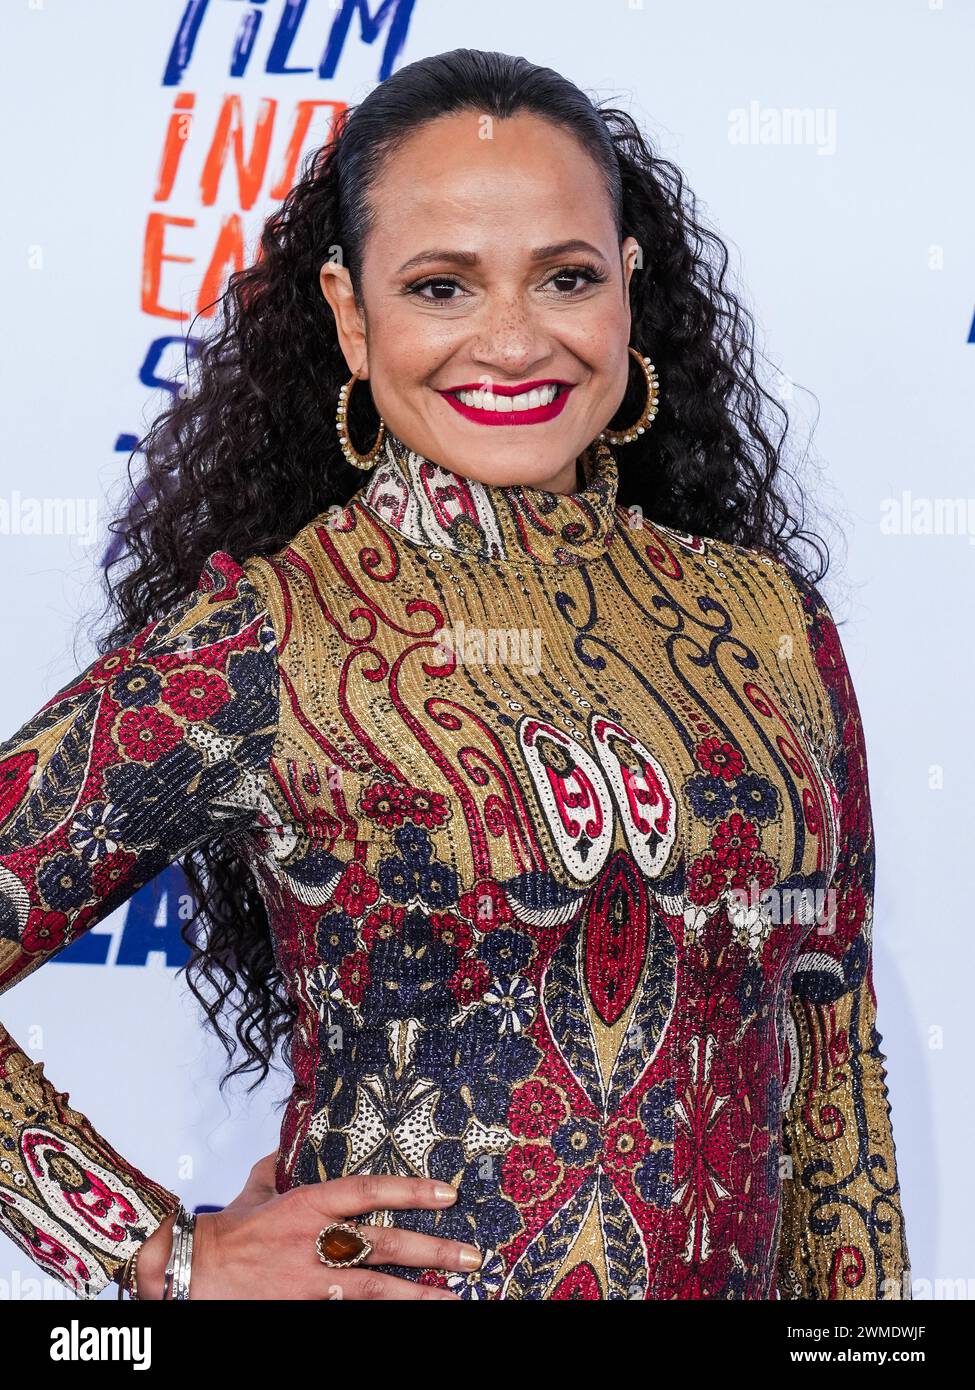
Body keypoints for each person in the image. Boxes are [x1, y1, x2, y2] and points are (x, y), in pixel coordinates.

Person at [0, 48, 910, 1301]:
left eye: (567, 278)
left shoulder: (766, 623)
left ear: (629, 290)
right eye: (441, 285)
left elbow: (834, 1092)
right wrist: (161, 1252)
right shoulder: (278, 637)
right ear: (350, 312)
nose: (512, 339)